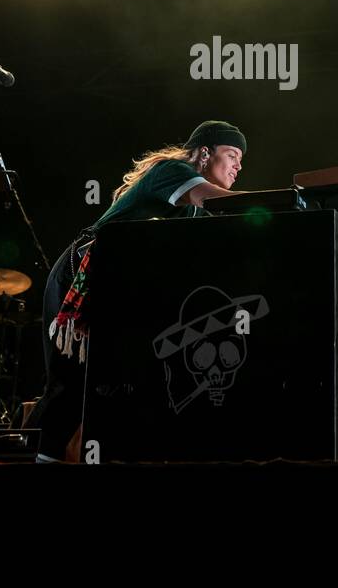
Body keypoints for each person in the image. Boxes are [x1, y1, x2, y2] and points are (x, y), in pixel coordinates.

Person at [31, 120, 247, 462]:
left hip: (119, 287)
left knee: (114, 386)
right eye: (232, 155)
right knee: (69, 386)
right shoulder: (173, 172)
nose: (238, 166)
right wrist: (278, 205)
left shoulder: (191, 210)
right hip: (84, 275)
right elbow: (212, 199)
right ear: (205, 153)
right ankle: (26, 459)